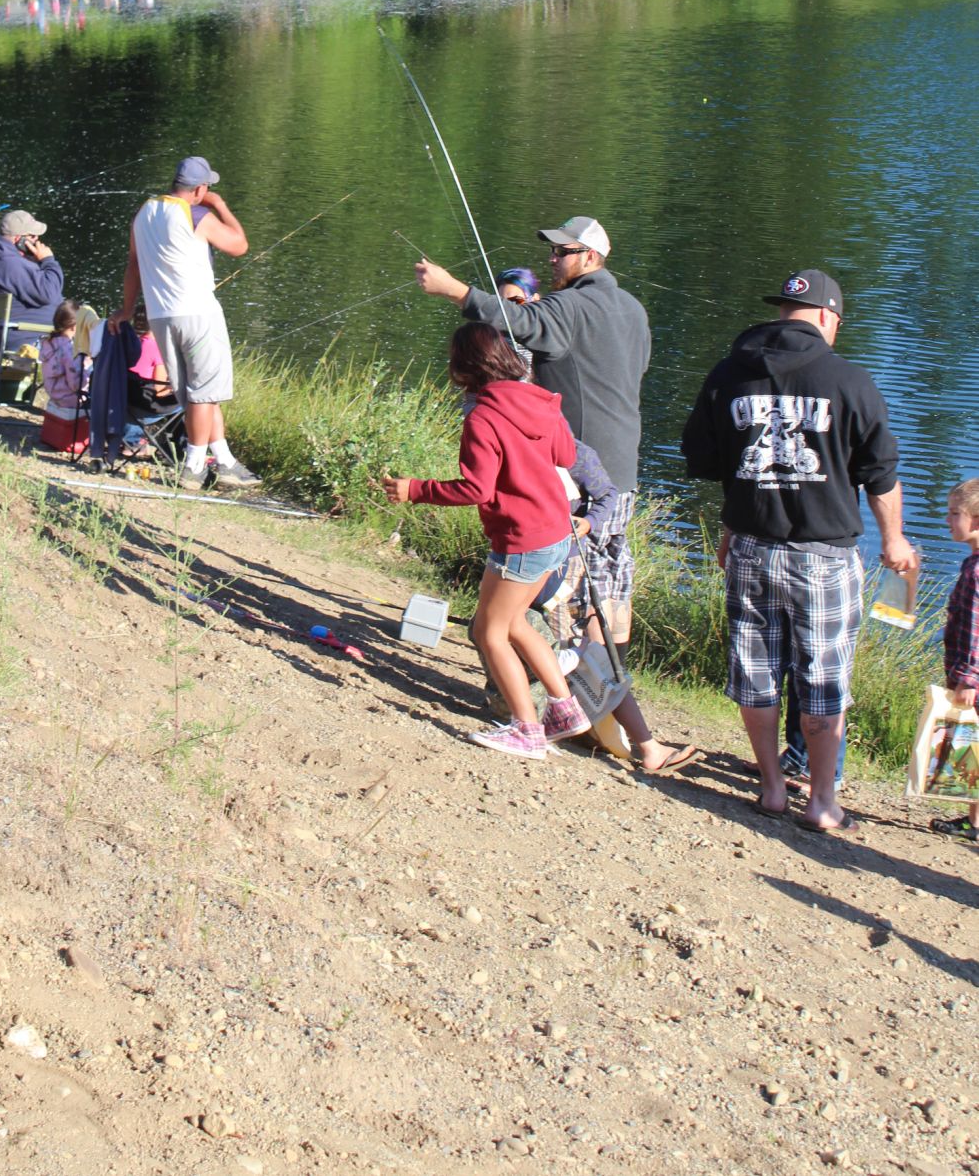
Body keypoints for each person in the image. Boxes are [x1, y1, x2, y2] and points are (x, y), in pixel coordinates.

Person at [682, 268, 918, 833]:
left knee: (756, 670)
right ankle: (821, 802)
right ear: (827, 318)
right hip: (824, 556)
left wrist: (735, 516)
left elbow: (705, 459)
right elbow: (880, 476)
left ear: (783, 313)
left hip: (749, 549)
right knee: (824, 676)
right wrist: (893, 539)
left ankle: (769, 791)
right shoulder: (850, 381)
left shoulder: (727, 374)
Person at [416, 215, 650, 664]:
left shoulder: (571, 308)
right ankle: (604, 690)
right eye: (554, 250)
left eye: (563, 252)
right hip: (622, 471)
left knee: (558, 589)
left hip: (575, 472)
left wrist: (454, 290)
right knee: (610, 583)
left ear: (591, 257)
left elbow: (515, 320)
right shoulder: (633, 310)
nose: (554, 258)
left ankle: (543, 696)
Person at [384, 320, 595, 758]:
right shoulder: (543, 400)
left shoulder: (482, 417)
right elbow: (567, 456)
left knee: (488, 631)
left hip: (521, 539)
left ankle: (527, 729)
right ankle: (565, 709)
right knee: (514, 622)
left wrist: (415, 489)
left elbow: (476, 490)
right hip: (556, 532)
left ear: (465, 368)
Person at [110, 155, 260, 489]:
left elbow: (133, 265)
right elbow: (240, 245)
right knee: (202, 395)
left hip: (161, 317)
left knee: (201, 392)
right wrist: (220, 205)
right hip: (198, 315)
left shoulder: (145, 212)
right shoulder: (197, 215)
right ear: (200, 189)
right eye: (208, 189)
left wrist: (126, 309)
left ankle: (225, 461)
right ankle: (193, 466)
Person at [930, 478, 979, 844]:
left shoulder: (977, 571)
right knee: (972, 743)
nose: (947, 520)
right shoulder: (971, 562)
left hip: (972, 680)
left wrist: (969, 678)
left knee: (974, 743)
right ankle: (974, 821)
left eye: (954, 514)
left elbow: (976, 627)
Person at [0, 209, 65, 351]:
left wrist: (32, 261)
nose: (37, 239)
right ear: (19, 239)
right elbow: (49, 293)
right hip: (25, 339)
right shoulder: (11, 264)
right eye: (33, 236)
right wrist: (48, 261)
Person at [39, 298, 89, 453]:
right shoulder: (69, 350)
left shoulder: (49, 342)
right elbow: (76, 384)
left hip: (54, 393)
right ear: (75, 327)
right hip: (70, 398)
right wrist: (86, 367)